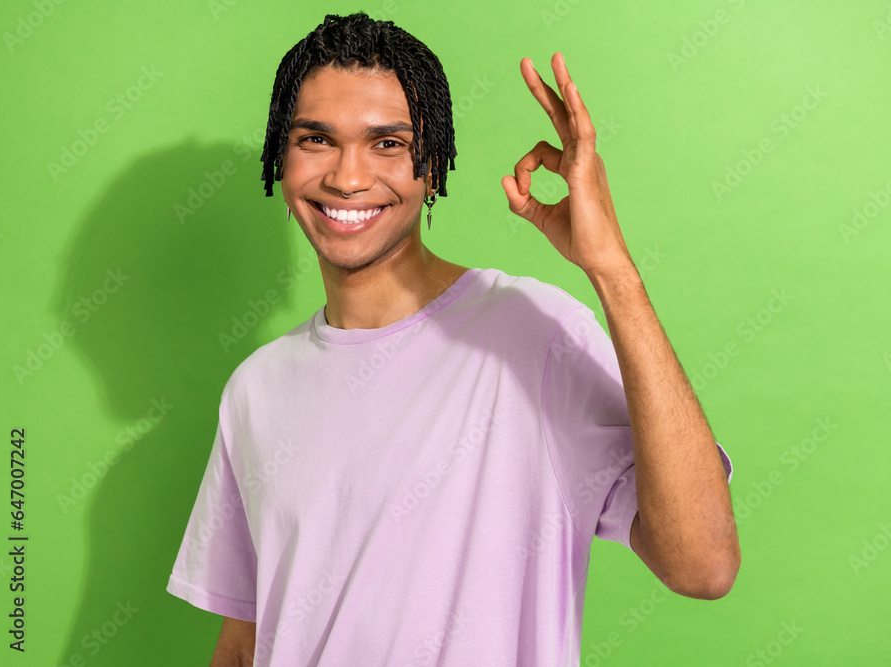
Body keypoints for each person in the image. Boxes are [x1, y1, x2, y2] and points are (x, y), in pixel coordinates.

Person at [165, 12, 739, 666]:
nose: (349, 177)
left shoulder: (530, 335)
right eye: (316, 139)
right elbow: (243, 645)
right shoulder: (256, 389)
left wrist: (614, 272)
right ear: (280, 156)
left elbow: (704, 564)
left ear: (433, 166)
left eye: (387, 143)